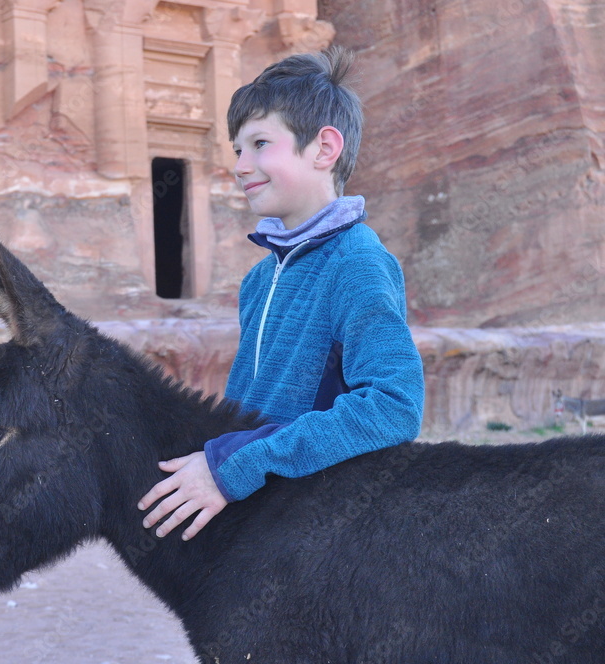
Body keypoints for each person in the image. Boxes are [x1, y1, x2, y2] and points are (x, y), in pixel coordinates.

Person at [138, 47, 425, 541]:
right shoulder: (258, 280)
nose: (241, 165)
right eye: (236, 150)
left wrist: (234, 466)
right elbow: (245, 412)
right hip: (259, 523)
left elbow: (394, 406)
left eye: (259, 143)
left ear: (323, 149)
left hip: (317, 535)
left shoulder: (355, 262)